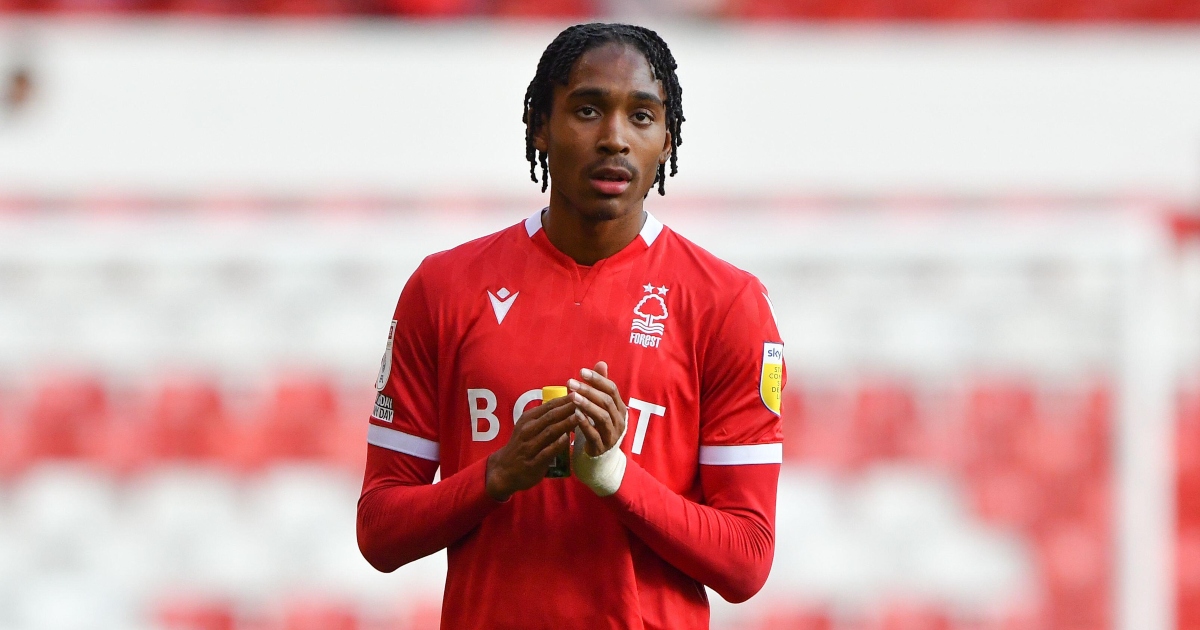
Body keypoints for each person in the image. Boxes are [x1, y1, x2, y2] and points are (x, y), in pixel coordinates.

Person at [357, 22, 785, 629]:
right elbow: (379, 530)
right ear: (540, 125)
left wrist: (613, 475)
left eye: (642, 116)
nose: (615, 138)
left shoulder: (727, 303)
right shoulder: (444, 288)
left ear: (667, 140)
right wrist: (498, 476)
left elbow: (746, 561)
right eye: (588, 110)